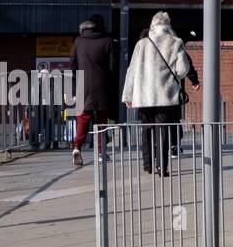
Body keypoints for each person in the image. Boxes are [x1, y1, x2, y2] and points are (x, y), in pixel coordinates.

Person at [121, 11, 192, 177]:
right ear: (168, 25)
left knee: (147, 130)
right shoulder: (176, 43)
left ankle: (148, 164)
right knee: (163, 131)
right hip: (165, 96)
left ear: (152, 25)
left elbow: (131, 71)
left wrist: (128, 95)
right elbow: (182, 71)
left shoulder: (141, 44)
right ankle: (162, 167)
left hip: (144, 96)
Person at [68, 14, 116, 168]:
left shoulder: (78, 41)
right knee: (102, 122)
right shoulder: (108, 42)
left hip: (83, 86)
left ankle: (77, 147)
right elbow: (113, 68)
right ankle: (101, 152)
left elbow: (73, 66)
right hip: (102, 86)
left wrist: (75, 89)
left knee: (83, 120)